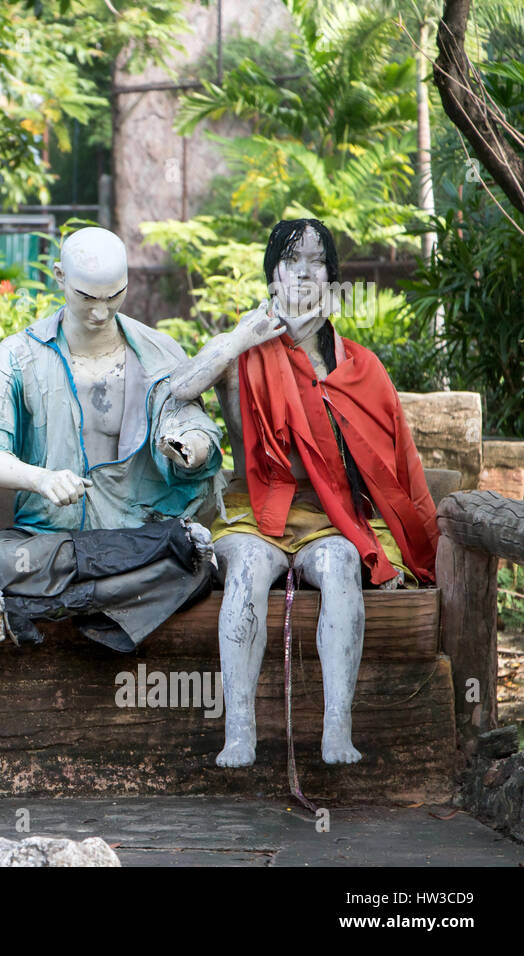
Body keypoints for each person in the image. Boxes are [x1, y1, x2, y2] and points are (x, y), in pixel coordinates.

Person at [168, 218, 439, 766]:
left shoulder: (357, 364)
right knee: (244, 571)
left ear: (333, 279)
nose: (304, 273)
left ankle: (337, 728)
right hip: (253, 514)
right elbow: (180, 386)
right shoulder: (242, 353)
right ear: (272, 277)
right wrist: (242, 337)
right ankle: (239, 733)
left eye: (317, 262)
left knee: (342, 565)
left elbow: (389, 461)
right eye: (291, 262)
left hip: (326, 518)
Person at [0, 227, 223, 650]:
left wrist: (191, 447)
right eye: (87, 297)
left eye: (113, 296)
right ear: (59, 276)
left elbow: (191, 421)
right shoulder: (18, 355)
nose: (101, 313)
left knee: (196, 567)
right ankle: (102, 607)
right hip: (52, 542)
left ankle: (41, 607)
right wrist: (40, 479)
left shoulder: (160, 354)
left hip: (137, 536)